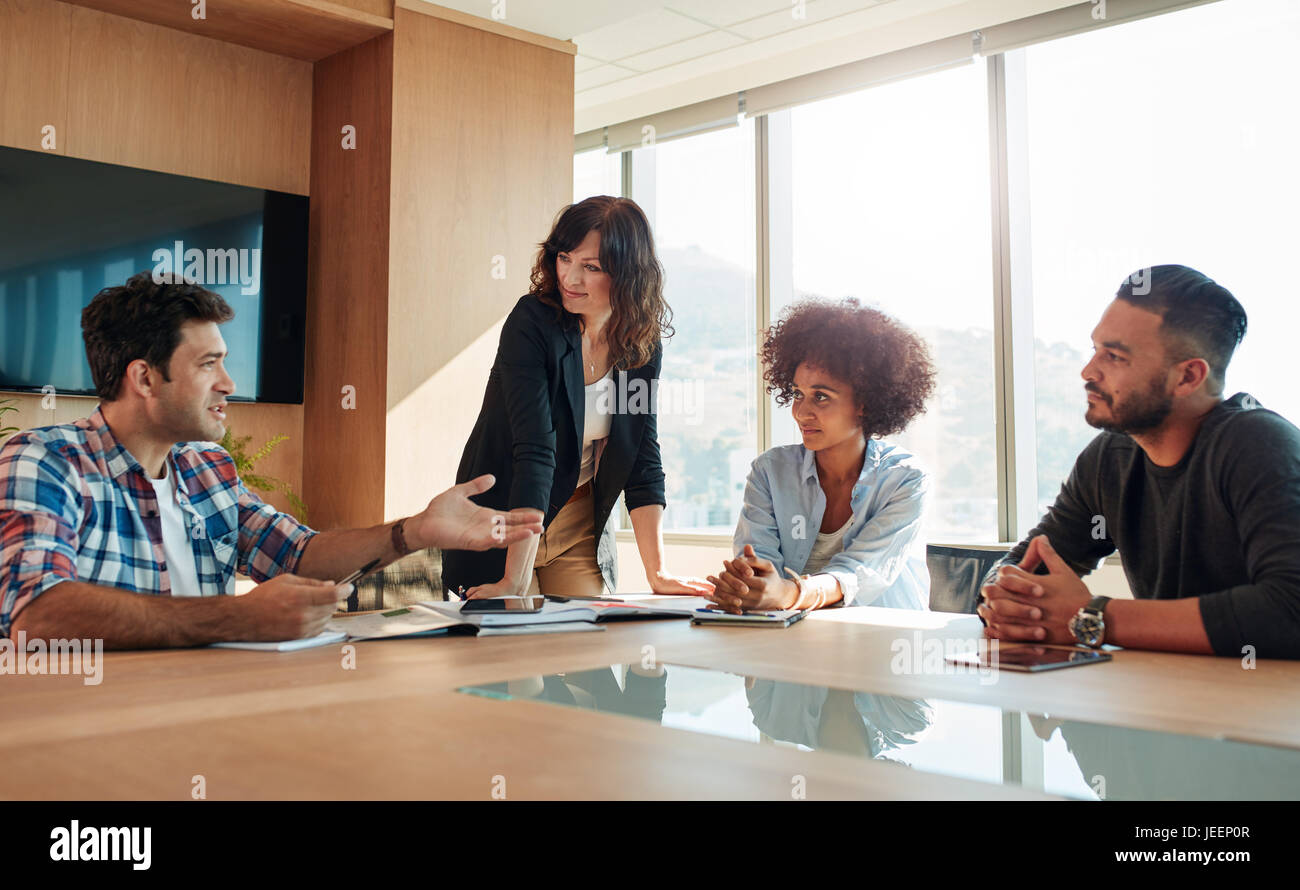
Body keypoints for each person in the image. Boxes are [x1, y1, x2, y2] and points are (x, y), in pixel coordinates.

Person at [0, 272, 541, 648]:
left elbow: (299, 554)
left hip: (215, 710)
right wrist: (239, 616)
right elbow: (38, 615)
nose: (228, 385)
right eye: (209, 364)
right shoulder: (45, 462)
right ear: (144, 377)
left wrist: (414, 531)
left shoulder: (206, 468)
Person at [980, 264, 1300, 658]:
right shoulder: (1109, 459)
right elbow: (1027, 563)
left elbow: (1290, 609)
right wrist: (1002, 595)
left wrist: (1091, 618)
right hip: (1170, 702)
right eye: (1094, 349)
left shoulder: (1258, 445)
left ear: (1187, 377)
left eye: (1114, 356)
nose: (1088, 371)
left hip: (1269, 712)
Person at [441, 196, 710, 599]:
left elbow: (641, 454)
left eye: (592, 267)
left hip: (579, 523)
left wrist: (659, 573)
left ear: (628, 276)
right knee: (509, 651)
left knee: (587, 650)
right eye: (565, 258)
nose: (570, 278)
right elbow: (535, 451)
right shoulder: (532, 324)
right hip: (507, 519)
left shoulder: (640, 344)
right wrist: (513, 582)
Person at [706, 298, 934, 613]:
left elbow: (859, 573)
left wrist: (788, 593)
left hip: (883, 646)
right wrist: (747, 584)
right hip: (790, 643)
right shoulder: (770, 472)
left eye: (821, 396)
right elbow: (759, 566)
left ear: (864, 403)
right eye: (798, 394)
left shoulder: (905, 480)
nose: (801, 411)